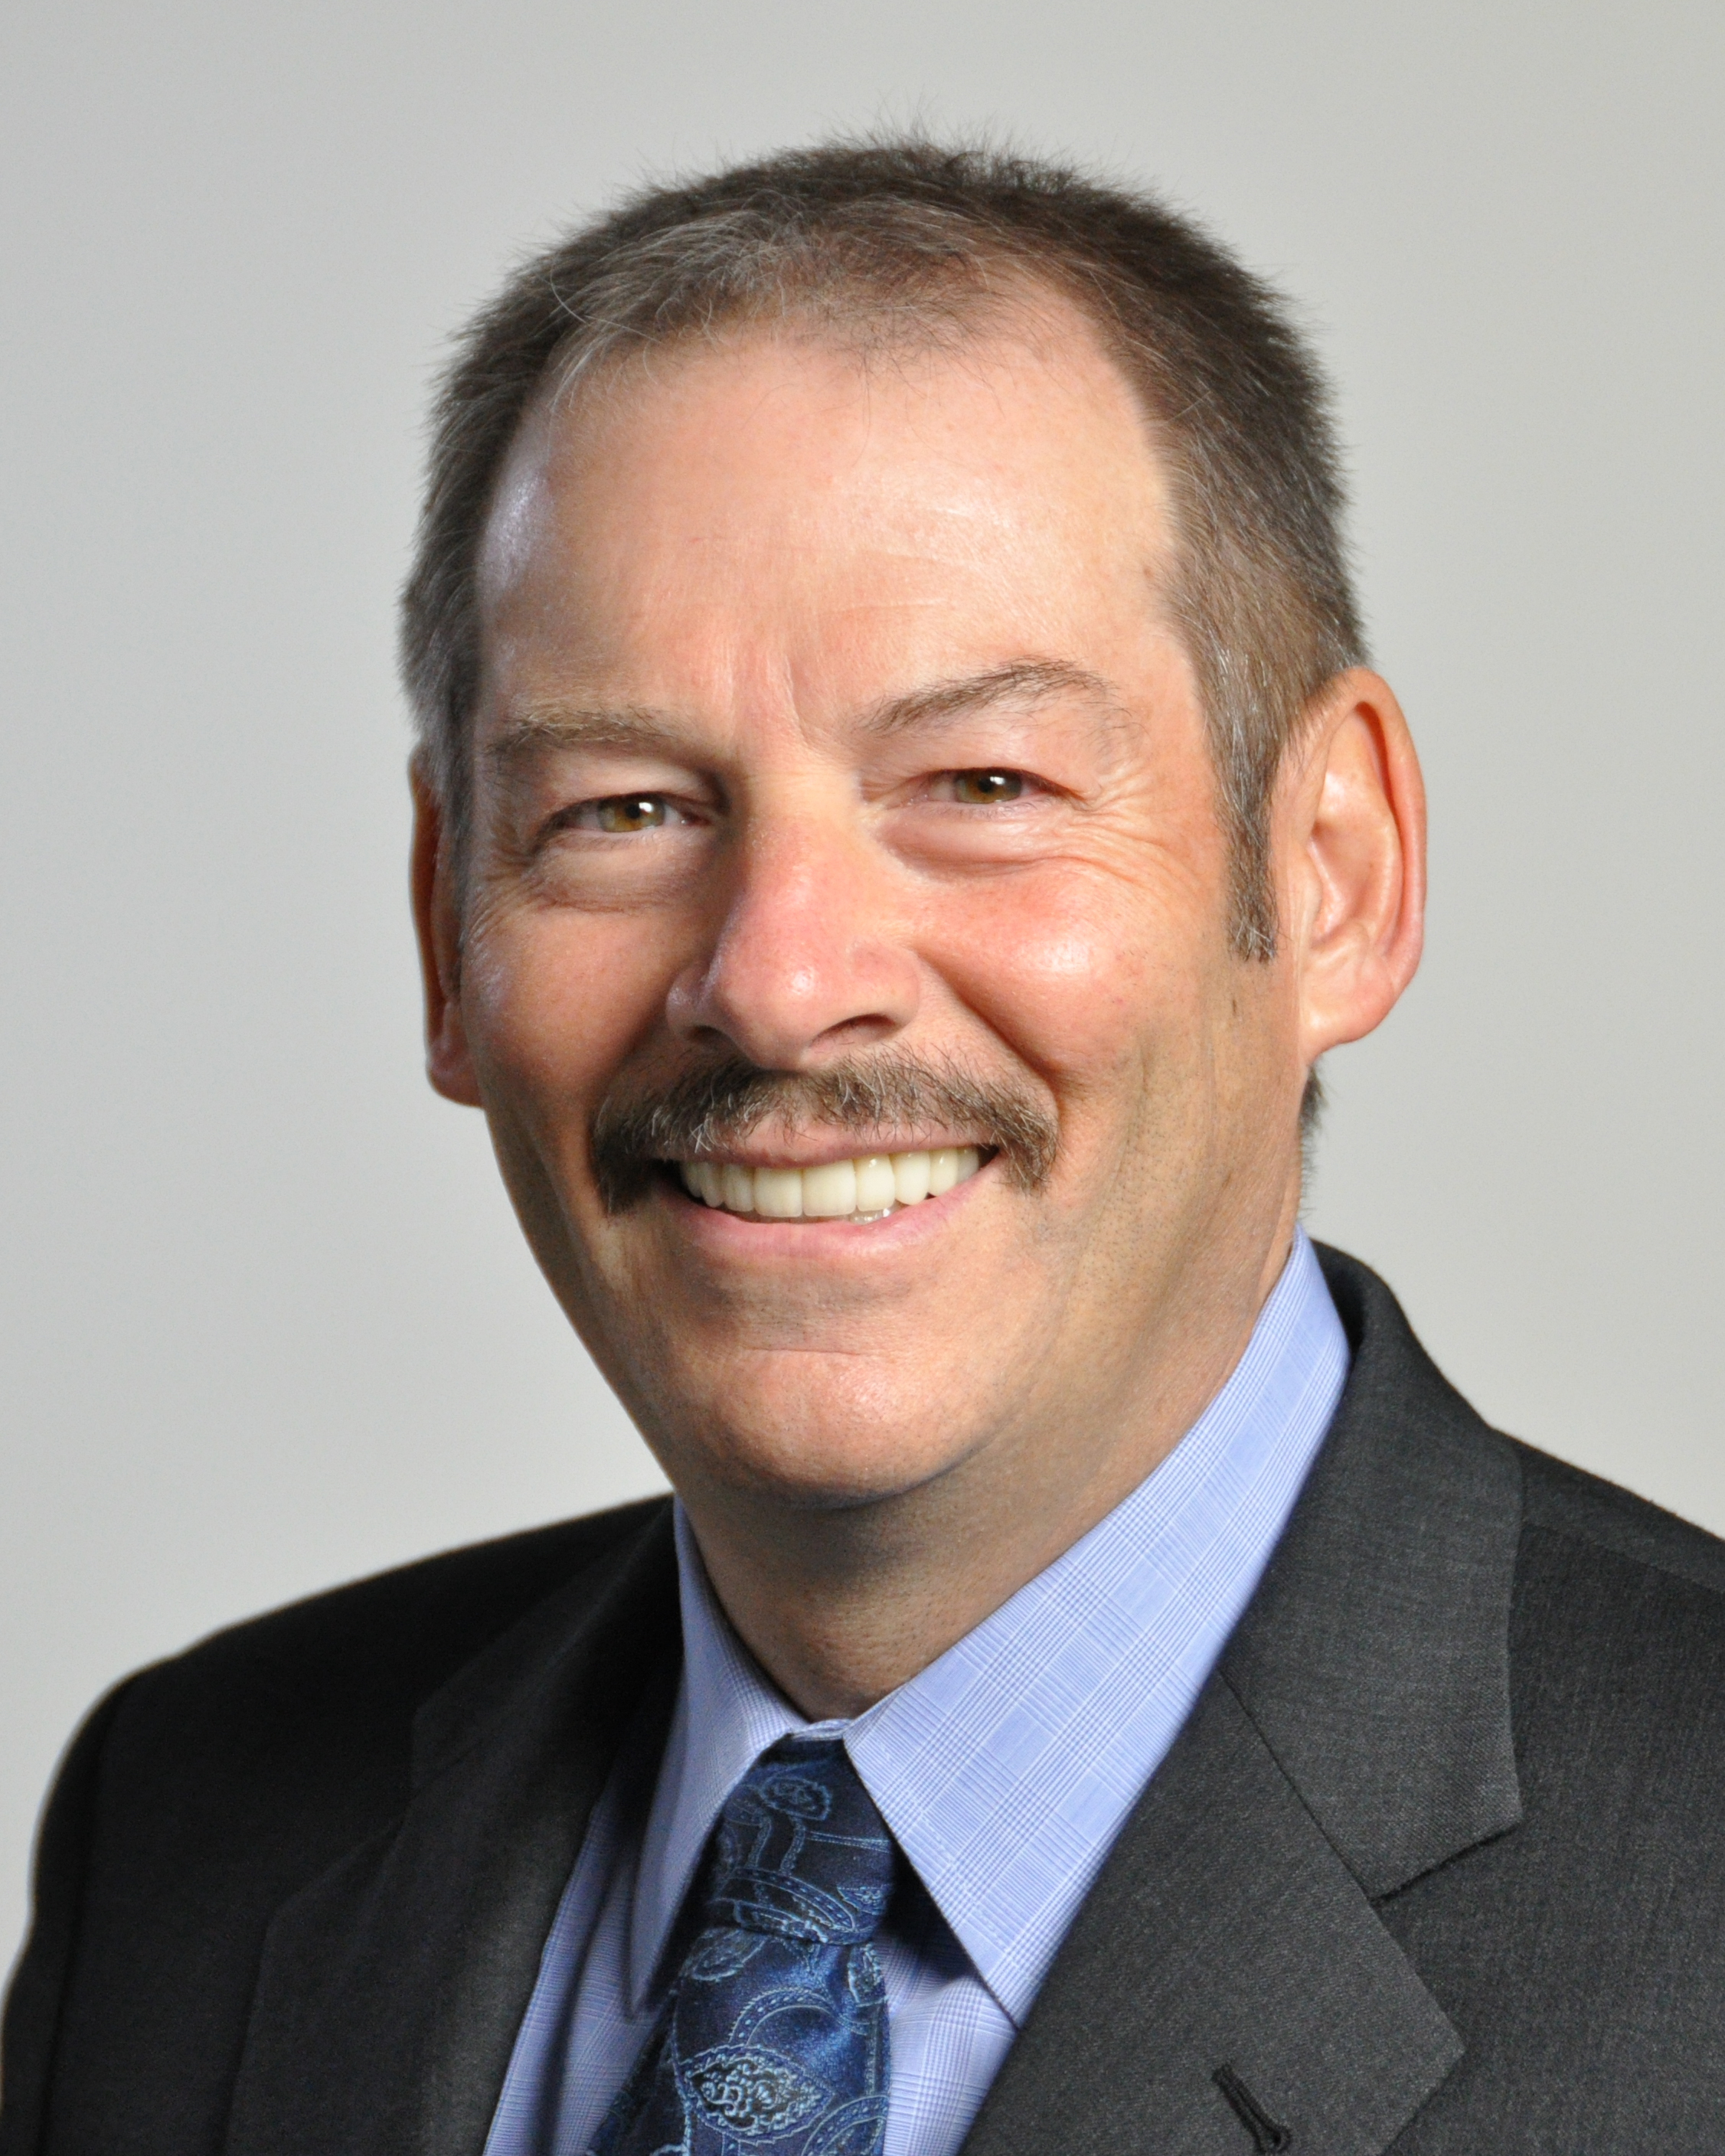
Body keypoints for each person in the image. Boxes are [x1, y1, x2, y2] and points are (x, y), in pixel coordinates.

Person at [5, 137, 1725, 2156]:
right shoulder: (189, 1834)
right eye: (624, 811)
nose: (776, 980)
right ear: (444, 928)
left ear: (1332, 873)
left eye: (981, 782)